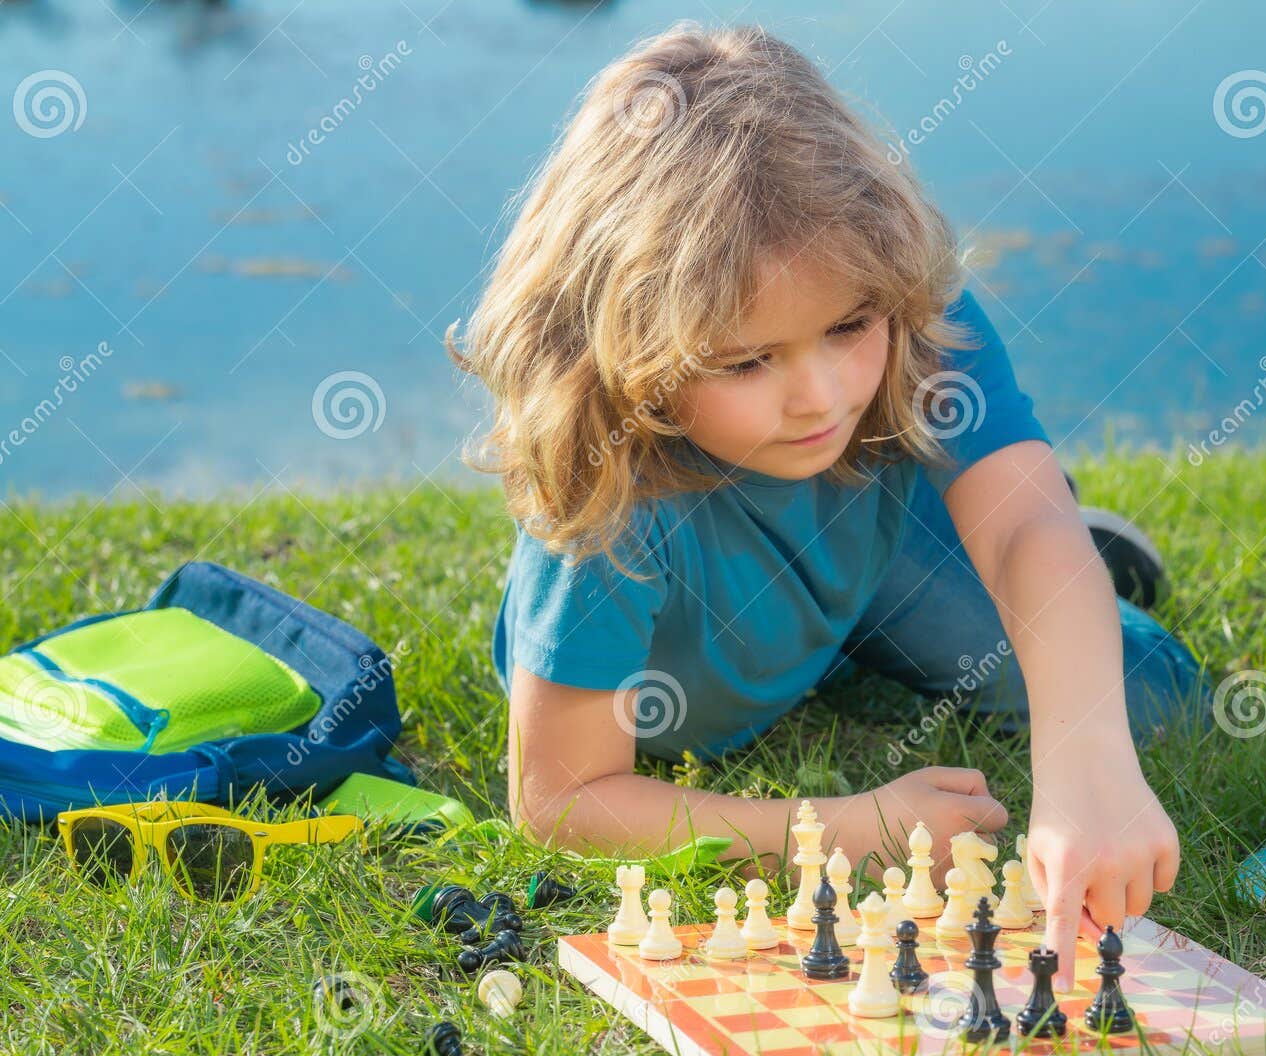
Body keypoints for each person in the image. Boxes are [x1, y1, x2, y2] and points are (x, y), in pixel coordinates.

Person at [448, 22, 1208, 958]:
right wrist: (842, 827)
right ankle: (916, 574)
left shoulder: (914, 317)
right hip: (765, 606)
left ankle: (1006, 532)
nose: (822, 397)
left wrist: (1086, 760)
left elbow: (1022, 531)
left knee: (1152, 695)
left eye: (849, 326)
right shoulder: (610, 502)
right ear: (628, 349)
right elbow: (560, 798)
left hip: (873, 550)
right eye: (748, 360)